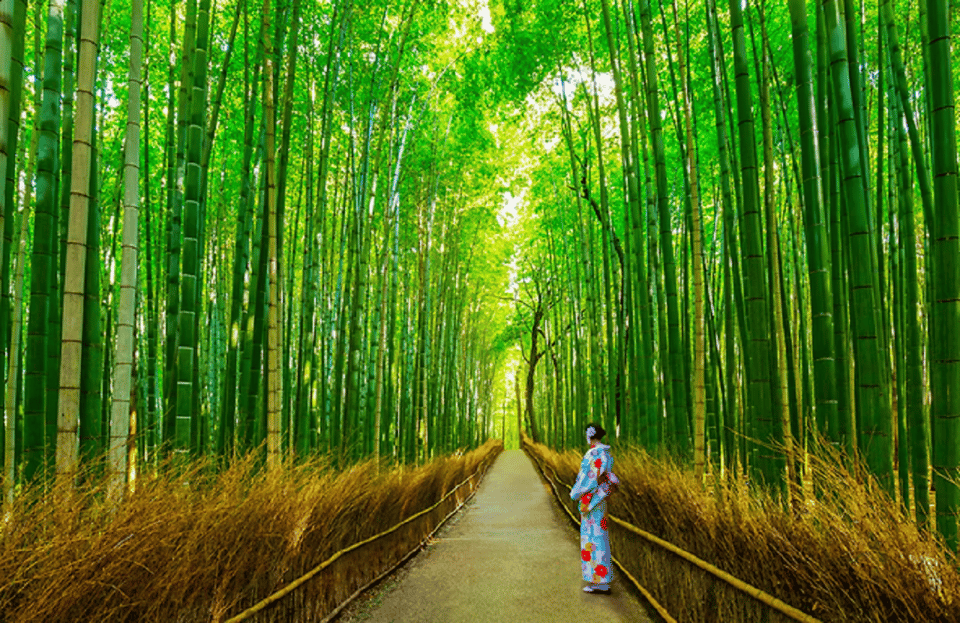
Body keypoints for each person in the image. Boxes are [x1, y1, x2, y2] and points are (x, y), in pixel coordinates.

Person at [570, 423, 615, 594]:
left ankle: (598, 582)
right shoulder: (606, 453)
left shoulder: (594, 453)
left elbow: (587, 478)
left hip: (592, 500)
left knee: (592, 539)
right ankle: (602, 580)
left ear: (589, 435)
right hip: (601, 499)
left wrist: (575, 492)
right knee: (601, 537)